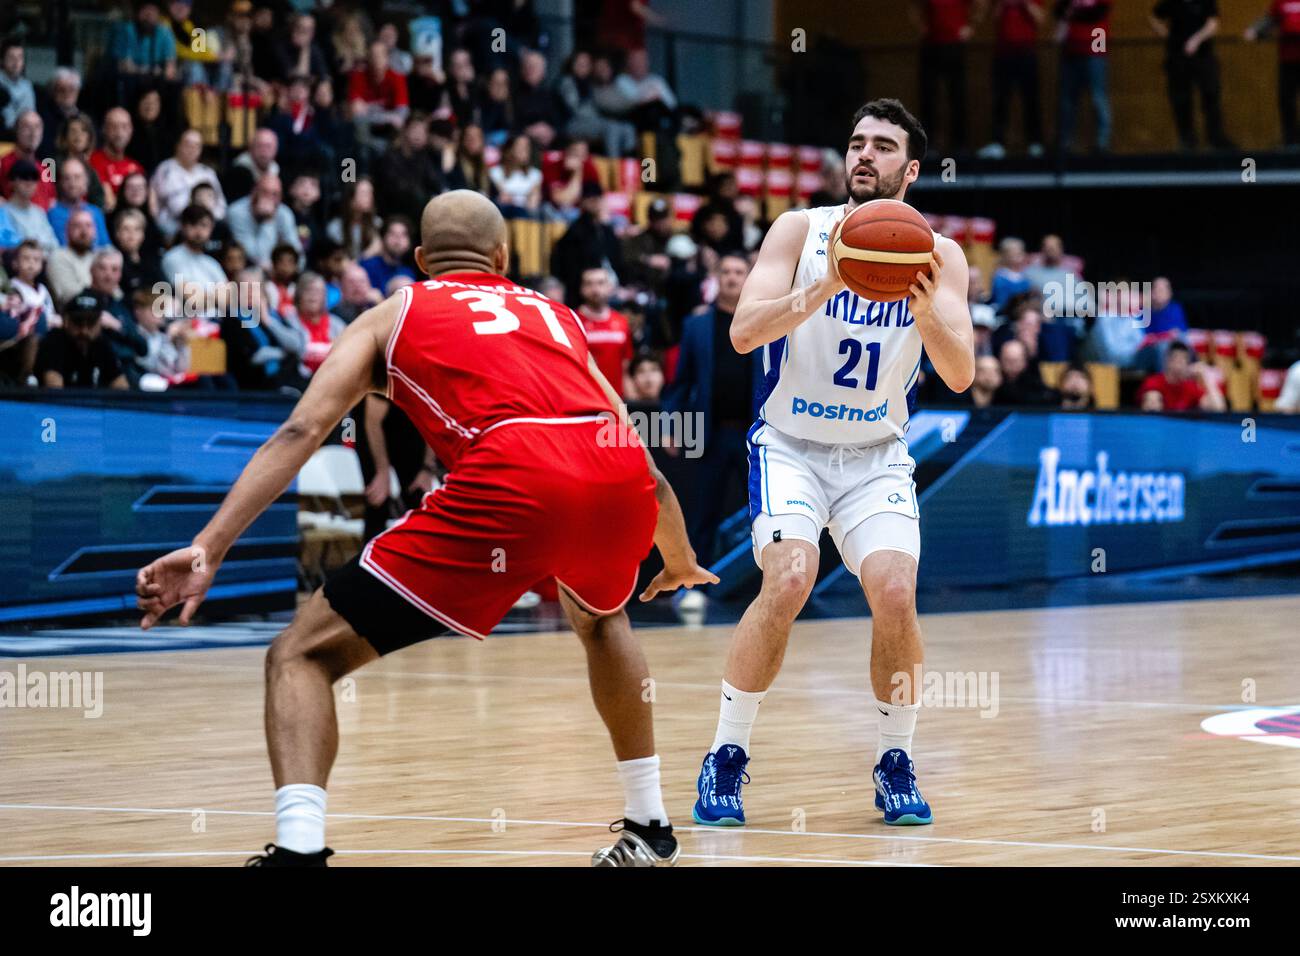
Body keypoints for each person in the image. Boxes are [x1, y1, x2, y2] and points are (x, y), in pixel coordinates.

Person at [135, 190, 715, 867]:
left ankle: (298, 853)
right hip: (614, 471)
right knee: (603, 619)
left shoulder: (392, 311)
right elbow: (634, 445)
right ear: (502, 259)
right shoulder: (557, 315)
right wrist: (675, 556)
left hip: (515, 473)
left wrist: (209, 546)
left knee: (300, 656)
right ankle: (650, 825)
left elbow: (302, 428)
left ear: (419, 260)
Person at [691, 99, 973, 829]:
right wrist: (820, 289)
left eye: (881, 146)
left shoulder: (940, 256)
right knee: (789, 577)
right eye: (855, 143)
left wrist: (923, 311)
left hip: (875, 454)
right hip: (790, 445)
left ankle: (895, 759)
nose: (863, 156)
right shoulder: (800, 230)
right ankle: (725, 755)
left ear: (910, 169)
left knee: (896, 590)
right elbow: (745, 334)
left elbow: (963, 371)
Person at [664, 253, 765, 563]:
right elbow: (680, 383)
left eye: (738, 271)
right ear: (716, 277)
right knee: (703, 514)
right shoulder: (696, 325)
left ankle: (767, 586)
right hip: (712, 435)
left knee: (765, 515)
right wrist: (669, 427)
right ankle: (695, 586)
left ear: (748, 278)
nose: (732, 277)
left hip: (757, 434)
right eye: (726, 271)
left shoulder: (764, 322)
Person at [1150, 0, 1232, 150]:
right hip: (1177, 56)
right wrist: (1166, 34)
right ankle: (1187, 140)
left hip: (1203, 55)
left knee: (1211, 95)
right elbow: (1154, 16)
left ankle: (1215, 138)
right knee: (1181, 99)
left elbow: (1213, 24)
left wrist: (1197, 39)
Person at [980, 0, 1047, 159]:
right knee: (1000, 99)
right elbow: (993, 18)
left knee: (1031, 98)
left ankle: (1035, 142)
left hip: (1027, 52)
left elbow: (1040, 19)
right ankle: (997, 142)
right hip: (1003, 53)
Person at [910, 0, 974, 155]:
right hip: (931, 45)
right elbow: (913, 7)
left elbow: (981, 5)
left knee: (957, 96)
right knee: (929, 97)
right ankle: (930, 144)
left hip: (955, 46)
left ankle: (959, 144)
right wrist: (921, 27)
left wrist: (970, 26)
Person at [34, 292, 129, 389]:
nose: (84, 331)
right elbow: (54, 390)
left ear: (99, 323)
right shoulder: (54, 342)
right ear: (66, 321)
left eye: (91, 323)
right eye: (78, 322)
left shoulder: (102, 344)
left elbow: (121, 386)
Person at [1056, 0, 1113, 153]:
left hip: (1096, 43)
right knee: (1068, 99)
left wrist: (1073, 13)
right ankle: (1065, 142)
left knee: (1098, 96)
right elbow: (1058, 10)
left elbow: (1097, 13)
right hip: (1071, 47)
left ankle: (1102, 142)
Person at [1245, 2, 1300, 148]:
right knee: (1286, 99)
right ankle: (1291, 140)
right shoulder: (1281, 3)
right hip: (1288, 60)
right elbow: (1270, 19)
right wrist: (1255, 30)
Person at [576, 266, 634, 394]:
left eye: (601, 283)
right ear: (581, 288)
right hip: (586, 398)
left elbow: (625, 365)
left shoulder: (621, 322)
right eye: (589, 283)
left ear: (610, 287)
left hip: (617, 397)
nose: (595, 289)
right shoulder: (573, 321)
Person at [1136, 340, 1227, 411]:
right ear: (1167, 361)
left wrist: (1205, 376)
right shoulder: (1153, 383)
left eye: (1183, 360)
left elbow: (1218, 407)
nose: (1179, 365)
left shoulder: (1190, 387)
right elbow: (1151, 409)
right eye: (1176, 359)